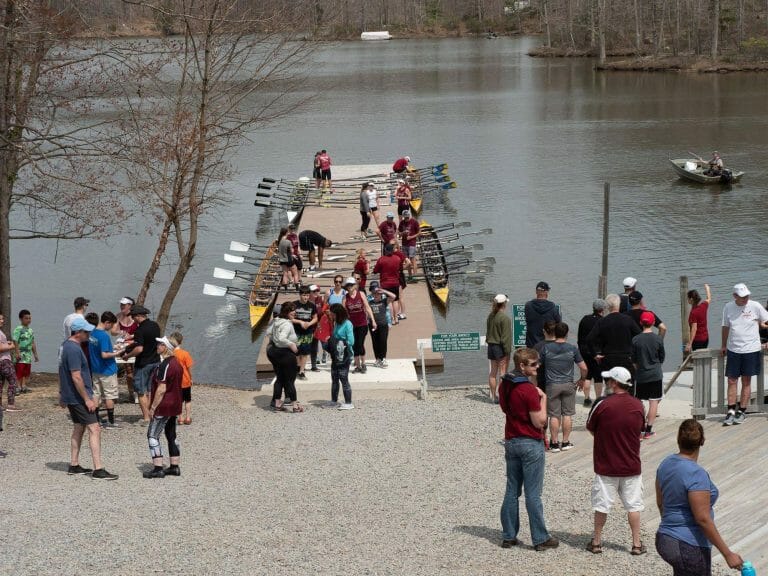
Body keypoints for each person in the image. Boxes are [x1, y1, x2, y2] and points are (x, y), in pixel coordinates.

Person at [655, 419, 744, 575]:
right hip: (689, 544)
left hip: (665, 538)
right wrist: (728, 554)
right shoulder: (696, 474)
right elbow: (702, 518)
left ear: (678, 439)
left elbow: (660, 503)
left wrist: (671, 526)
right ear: (702, 441)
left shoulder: (666, 463)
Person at [498, 348, 559, 551]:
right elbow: (540, 422)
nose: (538, 366)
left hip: (512, 440)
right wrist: (542, 399)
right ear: (522, 366)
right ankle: (540, 538)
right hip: (530, 443)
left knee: (511, 491)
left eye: (538, 363)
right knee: (533, 494)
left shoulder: (505, 384)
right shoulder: (528, 390)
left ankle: (508, 535)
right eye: (533, 364)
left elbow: (505, 409)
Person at [585, 366, 645, 556]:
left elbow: (590, 427)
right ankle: (636, 544)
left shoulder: (602, 405)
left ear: (614, 383)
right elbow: (640, 430)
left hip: (606, 465)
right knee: (634, 506)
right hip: (631, 465)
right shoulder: (638, 405)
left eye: (608, 380)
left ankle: (596, 542)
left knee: (602, 506)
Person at [59, 317, 118, 480]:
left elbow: (61, 371)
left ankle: (74, 464)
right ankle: (98, 469)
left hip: (71, 395)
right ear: (78, 332)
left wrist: (62, 394)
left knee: (79, 427)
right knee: (95, 428)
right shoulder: (74, 349)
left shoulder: (65, 346)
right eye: (86, 332)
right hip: (79, 397)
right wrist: (87, 399)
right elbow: (76, 376)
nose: (89, 334)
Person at [720, 282, 768, 426]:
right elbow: (725, 326)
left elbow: (766, 321)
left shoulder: (755, 306)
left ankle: (742, 411)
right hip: (734, 349)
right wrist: (723, 344)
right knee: (731, 381)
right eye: (742, 297)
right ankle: (730, 412)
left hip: (751, 349)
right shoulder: (728, 307)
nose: (745, 298)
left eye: (747, 295)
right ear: (735, 296)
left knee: (746, 381)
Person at [540, 322, 587, 452]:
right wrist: (582, 380)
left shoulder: (546, 348)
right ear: (567, 333)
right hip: (568, 384)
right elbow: (583, 367)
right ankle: (565, 442)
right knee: (567, 414)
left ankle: (554, 443)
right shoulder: (572, 349)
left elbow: (537, 365)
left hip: (552, 385)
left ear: (555, 333)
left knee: (554, 415)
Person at [143, 336, 183, 479]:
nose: (157, 346)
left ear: (166, 347)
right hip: (175, 404)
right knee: (171, 434)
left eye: (160, 344)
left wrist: (153, 407)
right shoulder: (177, 363)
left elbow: (161, 388)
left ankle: (158, 468)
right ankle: (174, 466)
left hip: (164, 405)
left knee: (152, 435)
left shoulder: (165, 365)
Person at [120, 304, 161, 423]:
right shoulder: (155, 326)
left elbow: (139, 349)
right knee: (150, 390)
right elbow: (149, 342)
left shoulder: (140, 330)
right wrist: (128, 348)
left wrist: (127, 356)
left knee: (141, 391)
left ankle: (146, 418)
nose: (132, 319)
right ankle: (151, 414)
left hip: (143, 364)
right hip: (155, 361)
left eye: (133, 316)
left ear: (138, 316)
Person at [587, 293, 641, 378]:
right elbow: (640, 336)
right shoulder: (628, 320)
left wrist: (595, 355)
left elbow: (589, 339)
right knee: (627, 385)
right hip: (626, 357)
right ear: (619, 305)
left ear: (607, 307)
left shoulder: (602, 322)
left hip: (608, 358)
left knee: (610, 386)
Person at [632, 311, 666, 439]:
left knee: (639, 401)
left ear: (641, 323)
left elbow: (633, 360)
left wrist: (639, 369)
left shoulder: (635, 339)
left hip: (641, 375)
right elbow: (662, 357)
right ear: (653, 323)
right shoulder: (658, 339)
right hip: (655, 374)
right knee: (654, 402)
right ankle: (648, 430)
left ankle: (640, 429)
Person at [266, 301, 302, 412]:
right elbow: (282, 338)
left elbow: (268, 332)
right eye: (292, 311)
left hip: (275, 352)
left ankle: (277, 404)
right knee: (290, 380)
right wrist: (291, 344)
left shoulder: (276, 321)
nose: (294, 313)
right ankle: (295, 406)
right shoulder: (287, 324)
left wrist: (275, 341)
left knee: (280, 379)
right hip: (286, 354)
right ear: (286, 312)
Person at [89, 311, 122, 429]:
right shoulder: (104, 335)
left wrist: (112, 347)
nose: (111, 328)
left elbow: (98, 349)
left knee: (96, 393)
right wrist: (117, 353)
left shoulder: (92, 333)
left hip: (95, 369)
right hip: (107, 370)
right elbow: (104, 354)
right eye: (111, 325)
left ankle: (95, 419)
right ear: (107, 322)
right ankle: (111, 422)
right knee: (109, 395)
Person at [342, 276, 377, 374]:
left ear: (355, 285)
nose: (349, 287)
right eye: (348, 285)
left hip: (362, 323)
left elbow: (368, 307)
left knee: (360, 344)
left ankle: (363, 363)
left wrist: (373, 321)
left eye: (351, 285)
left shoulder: (360, 294)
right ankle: (357, 365)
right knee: (354, 345)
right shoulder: (345, 297)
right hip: (351, 325)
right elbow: (343, 312)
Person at [577, 299, 607, 405]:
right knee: (598, 376)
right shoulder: (603, 321)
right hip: (598, 351)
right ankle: (598, 399)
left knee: (588, 375)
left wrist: (580, 349)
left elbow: (580, 337)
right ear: (602, 309)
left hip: (585, 350)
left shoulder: (585, 319)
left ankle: (586, 398)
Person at [327, 303, 355, 410]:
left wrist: (338, 341)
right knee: (334, 378)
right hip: (335, 355)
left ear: (338, 314)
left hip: (345, 356)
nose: (331, 316)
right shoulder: (336, 323)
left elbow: (351, 341)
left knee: (343, 378)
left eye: (333, 314)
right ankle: (334, 400)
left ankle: (348, 402)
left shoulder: (347, 324)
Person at [485, 294, 512, 403]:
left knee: (493, 373)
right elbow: (505, 338)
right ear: (504, 304)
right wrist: (507, 351)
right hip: (500, 347)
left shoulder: (491, 316)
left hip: (491, 346)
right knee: (503, 373)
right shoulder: (505, 318)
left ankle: (493, 396)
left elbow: (488, 332)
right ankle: (502, 397)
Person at [112, 296, 138, 403]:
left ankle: (136, 393)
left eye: (124, 305)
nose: (121, 306)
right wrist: (120, 332)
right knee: (127, 369)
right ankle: (129, 393)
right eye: (121, 304)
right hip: (122, 345)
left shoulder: (136, 316)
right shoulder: (118, 316)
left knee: (135, 370)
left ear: (130, 306)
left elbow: (141, 331)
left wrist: (130, 336)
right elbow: (113, 331)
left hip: (134, 344)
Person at [524, 281, 561, 348]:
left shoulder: (528, 306)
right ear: (546, 292)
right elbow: (559, 324)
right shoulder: (553, 307)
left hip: (532, 345)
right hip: (549, 346)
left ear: (536, 292)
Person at [367, 281, 395, 368]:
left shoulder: (384, 301)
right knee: (375, 342)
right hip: (373, 325)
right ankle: (377, 359)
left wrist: (383, 291)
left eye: (377, 293)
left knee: (383, 342)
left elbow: (394, 296)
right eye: (374, 293)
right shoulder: (370, 302)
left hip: (383, 324)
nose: (376, 295)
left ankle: (383, 358)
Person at [292, 285, 318, 380]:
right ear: (300, 295)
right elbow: (290, 318)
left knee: (305, 352)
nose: (305, 297)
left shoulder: (312, 305)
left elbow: (315, 318)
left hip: (308, 332)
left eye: (307, 295)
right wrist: (301, 322)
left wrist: (309, 323)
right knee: (296, 351)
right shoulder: (294, 304)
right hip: (296, 332)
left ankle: (302, 371)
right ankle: (298, 367)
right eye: (303, 295)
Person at [373, 243, 403, 321]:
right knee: (395, 300)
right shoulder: (397, 258)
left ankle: (392, 319)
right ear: (392, 250)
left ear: (385, 250)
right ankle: (396, 318)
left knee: (389, 301)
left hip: (385, 283)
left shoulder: (381, 259)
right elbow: (400, 268)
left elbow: (375, 271)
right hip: (395, 282)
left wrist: (380, 270)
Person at [170, 331, 194, 425]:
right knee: (187, 400)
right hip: (185, 380)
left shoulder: (170, 354)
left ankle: (180, 418)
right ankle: (187, 418)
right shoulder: (185, 353)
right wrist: (191, 378)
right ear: (181, 341)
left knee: (179, 400)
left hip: (175, 381)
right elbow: (189, 368)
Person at [12, 309, 38, 394]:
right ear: (21, 319)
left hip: (28, 354)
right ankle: (17, 387)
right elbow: (15, 340)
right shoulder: (18, 329)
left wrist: (35, 354)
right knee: (19, 370)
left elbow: (32, 342)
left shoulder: (30, 330)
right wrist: (17, 352)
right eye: (26, 318)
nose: (28, 320)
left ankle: (23, 386)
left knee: (26, 371)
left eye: (29, 318)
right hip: (20, 353)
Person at [0, 314, 20, 412]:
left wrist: (5, 343)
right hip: (4, 361)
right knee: (13, 380)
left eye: (3, 319)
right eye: (0, 319)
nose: (2, 321)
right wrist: (11, 345)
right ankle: (11, 405)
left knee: (1, 383)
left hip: (2, 361)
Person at [686, 284, 711, 353]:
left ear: (691, 299)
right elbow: (709, 298)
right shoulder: (703, 306)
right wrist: (707, 288)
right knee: (703, 356)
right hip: (706, 338)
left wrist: (690, 344)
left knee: (698, 360)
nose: (687, 300)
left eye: (687, 298)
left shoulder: (693, 313)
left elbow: (694, 328)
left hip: (697, 340)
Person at [397, 209, 420, 283]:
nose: (406, 218)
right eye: (405, 217)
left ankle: (415, 276)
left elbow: (419, 233)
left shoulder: (414, 222)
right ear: (403, 217)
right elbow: (399, 233)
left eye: (407, 217)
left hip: (412, 243)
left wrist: (411, 237)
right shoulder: (402, 223)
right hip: (404, 244)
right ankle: (410, 276)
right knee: (407, 261)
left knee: (412, 260)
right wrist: (403, 233)